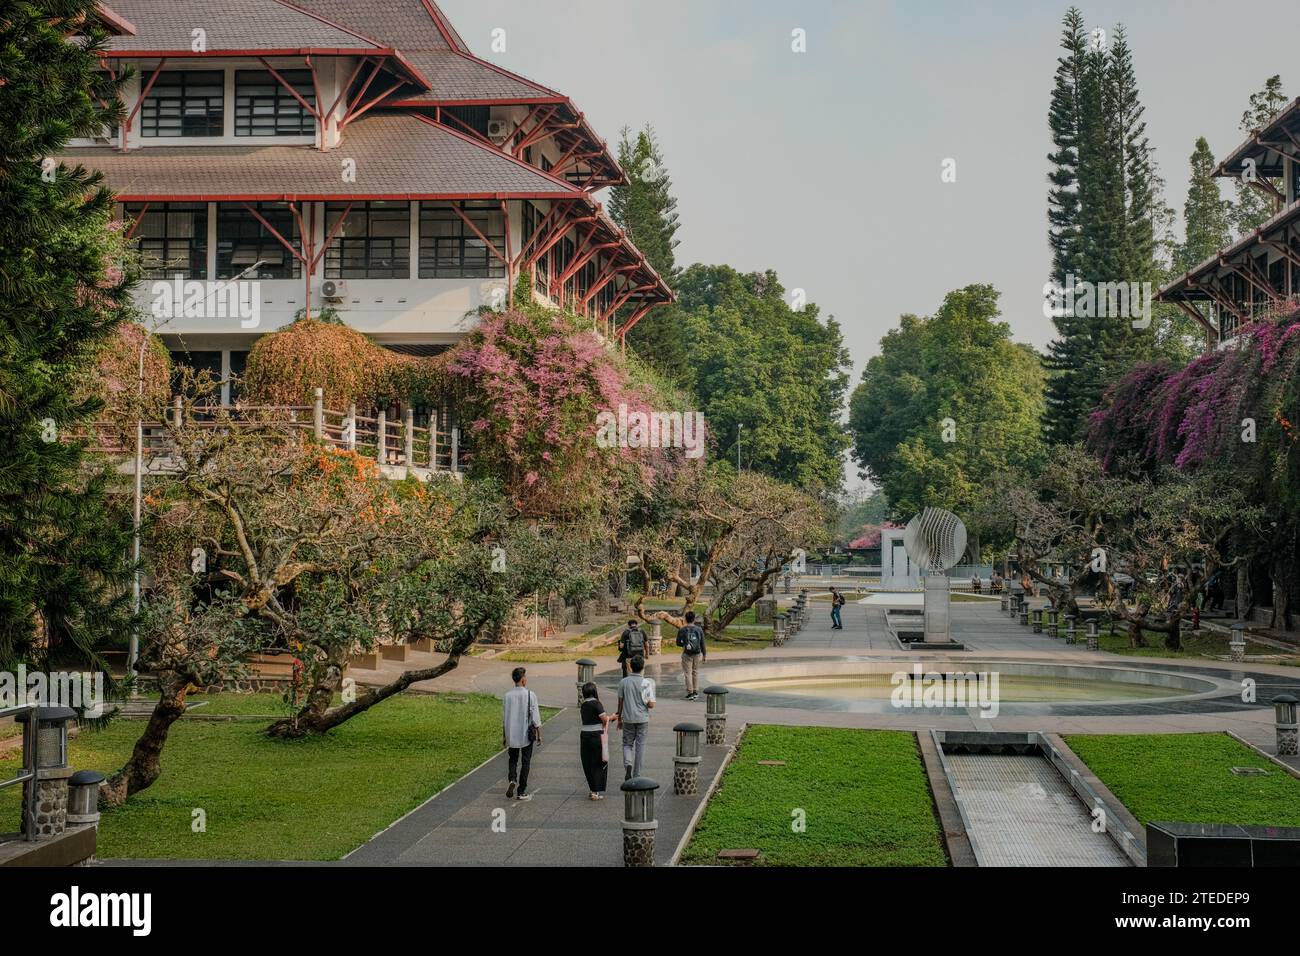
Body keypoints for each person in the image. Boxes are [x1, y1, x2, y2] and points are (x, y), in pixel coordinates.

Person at [501, 666, 542, 802]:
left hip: (511, 734)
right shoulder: (530, 695)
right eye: (526, 676)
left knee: (512, 759)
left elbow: (504, 717)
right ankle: (521, 790)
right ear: (523, 679)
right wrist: (539, 734)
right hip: (525, 735)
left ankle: (512, 778)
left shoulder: (507, 696)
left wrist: (504, 736)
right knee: (526, 762)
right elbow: (535, 717)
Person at [616, 654, 654, 779]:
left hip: (628, 718)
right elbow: (651, 705)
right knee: (640, 747)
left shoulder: (624, 682)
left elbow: (620, 702)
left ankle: (628, 764)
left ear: (630, 667)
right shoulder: (646, 683)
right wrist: (647, 701)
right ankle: (637, 775)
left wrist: (619, 718)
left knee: (627, 744)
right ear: (643, 667)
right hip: (642, 719)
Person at [578, 681, 613, 800]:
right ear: (594, 691)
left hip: (584, 735)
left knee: (587, 762)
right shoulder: (597, 704)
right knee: (598, 762)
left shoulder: (583, 705)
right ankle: (596, 791)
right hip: (596, 736)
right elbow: (604, 719)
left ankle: (592, 789)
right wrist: (612, 717)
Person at [676, 610, 707, 700]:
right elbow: (702, 643)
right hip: (697, 653)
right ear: (694, 619)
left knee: (687, 673)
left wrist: (685, 644)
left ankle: (690, 692)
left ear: (685, 619)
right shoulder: (699, 629)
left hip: (687, 654)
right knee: (695, 672)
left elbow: (678, 643)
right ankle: (696, 691)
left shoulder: (682, 629)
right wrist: (704, 655)